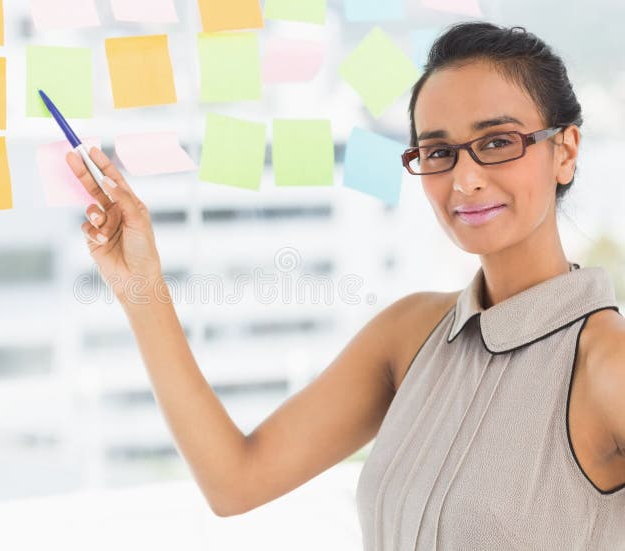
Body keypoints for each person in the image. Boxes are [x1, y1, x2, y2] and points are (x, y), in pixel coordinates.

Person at [66, 21, 625, 549]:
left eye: (498, 142)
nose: (466, 178)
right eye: (438, 152)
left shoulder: (607, 361)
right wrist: (141, 283)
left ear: (565, 151)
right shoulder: (411, 334)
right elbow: (234, 480)